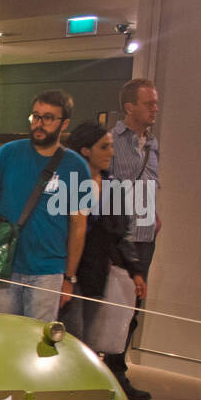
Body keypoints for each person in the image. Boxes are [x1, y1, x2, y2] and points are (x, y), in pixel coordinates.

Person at [0, 91, 91, 323]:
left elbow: (78, 225)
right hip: (5, 262)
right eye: (36, 116)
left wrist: (69, 277)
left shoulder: (76, 165)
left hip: (48, 269)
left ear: (64, 123)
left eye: (48, 118)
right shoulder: (9, 153)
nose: (39, 124)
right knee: (3, 335)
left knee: (35, 343)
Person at [63, 122, 147, 361]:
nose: (111, 152)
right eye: (104, 147)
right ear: (85, 150)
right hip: (65, 271)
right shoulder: (67, 182)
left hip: (95, 274)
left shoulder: (113, 186)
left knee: (87, 342)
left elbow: (121, 234)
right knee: (73, 337)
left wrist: (136, 270)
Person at [104, 79, 161, 400]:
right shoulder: (111, 140)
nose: (155, 108)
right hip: (119, 237)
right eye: (149, 103)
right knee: (111, 304)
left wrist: (155, 214)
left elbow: (152, 181)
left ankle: (118, 370)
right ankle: (102, 372)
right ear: (130, 107)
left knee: (134, 308)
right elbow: (104, 185)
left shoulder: (153, 143)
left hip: (144, 236)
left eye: (155, 103)